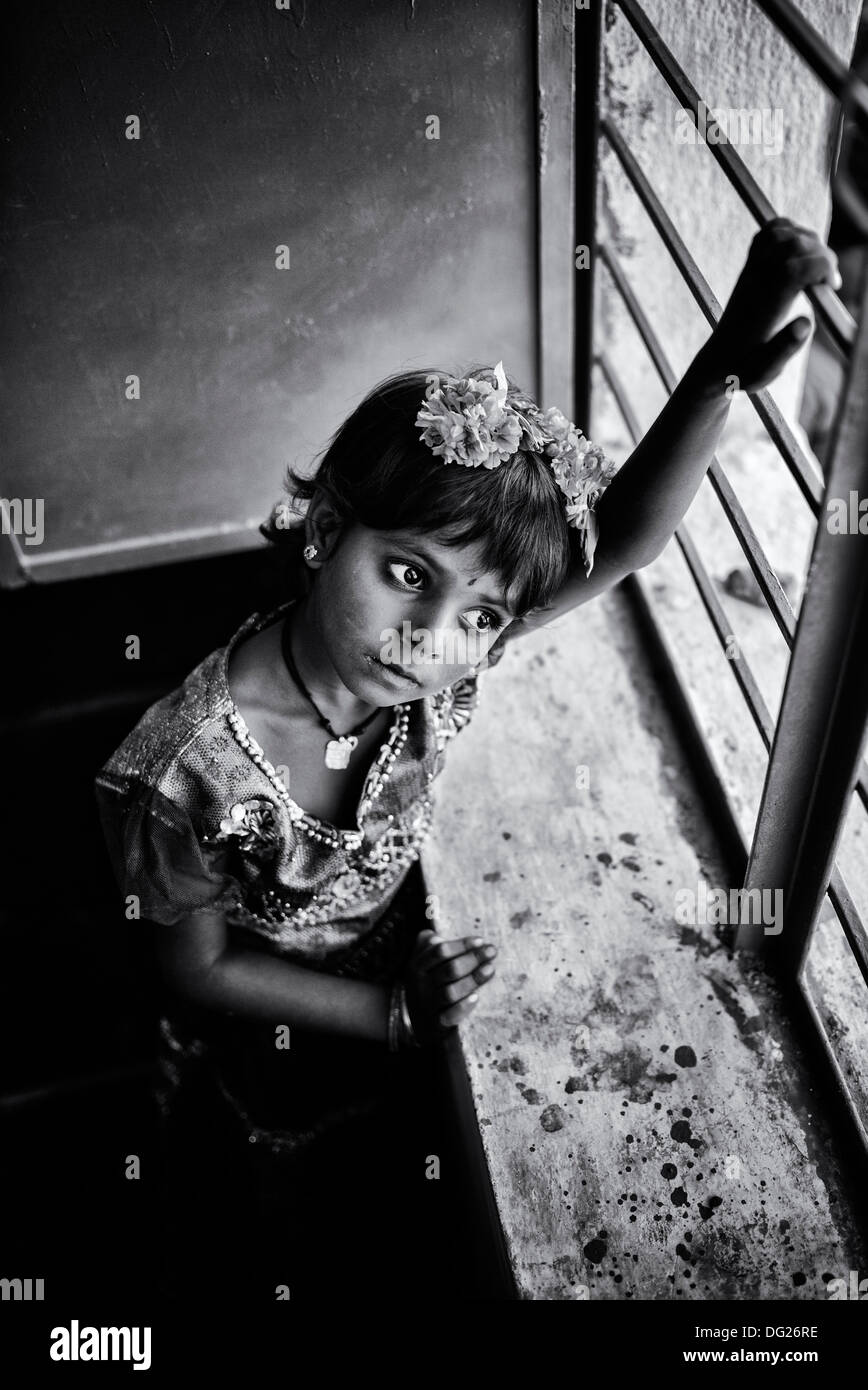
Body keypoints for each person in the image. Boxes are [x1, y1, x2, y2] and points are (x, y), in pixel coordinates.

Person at [93, 218, 839, 1301]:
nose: (432, 636)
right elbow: (195, 966)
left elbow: (622, 539)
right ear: (325, 526)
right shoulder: (185, 774)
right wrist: (390, 1015)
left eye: (481, 615)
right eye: (405, 573)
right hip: (272, 1033)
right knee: (274, 1194)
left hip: (401, 972)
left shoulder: (443, 660)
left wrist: (726, 358)